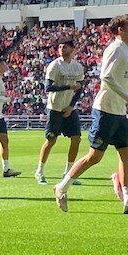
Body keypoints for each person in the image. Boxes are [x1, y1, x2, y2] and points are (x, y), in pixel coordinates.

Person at [53, 15, 128, 215]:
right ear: (121, 29)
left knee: (127, 155)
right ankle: (61, 187)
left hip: (118, 110)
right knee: (94, 157)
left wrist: (125, 101)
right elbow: (105, 76)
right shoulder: (115, 48)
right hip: (106, 109)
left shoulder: (124, 50)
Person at [35, 39, 85, 185]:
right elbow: (48, 88)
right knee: (51, 140)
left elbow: (79, 88)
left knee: (76, 139)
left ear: (73, 49)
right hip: (55, 107)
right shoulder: (54, 65)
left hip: (69, 108)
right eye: (60, 47)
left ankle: (69, 173)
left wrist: (71, 106)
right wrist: (68, 87)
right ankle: (40, 171)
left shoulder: (77, 67)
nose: (62, 49)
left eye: (65, 47)